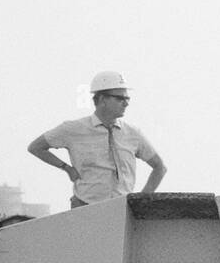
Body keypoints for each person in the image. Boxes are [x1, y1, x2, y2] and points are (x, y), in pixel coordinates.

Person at [28, 71, 166, 208]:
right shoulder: (73, 129)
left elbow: (159, 167)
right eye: (120, 98)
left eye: (127, 99)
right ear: (102, 99)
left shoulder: (133, 134)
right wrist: (66, 168)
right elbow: (36, 147)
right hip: (85, 208)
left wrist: (141, 200)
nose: (126, 103)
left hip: (122, 209)